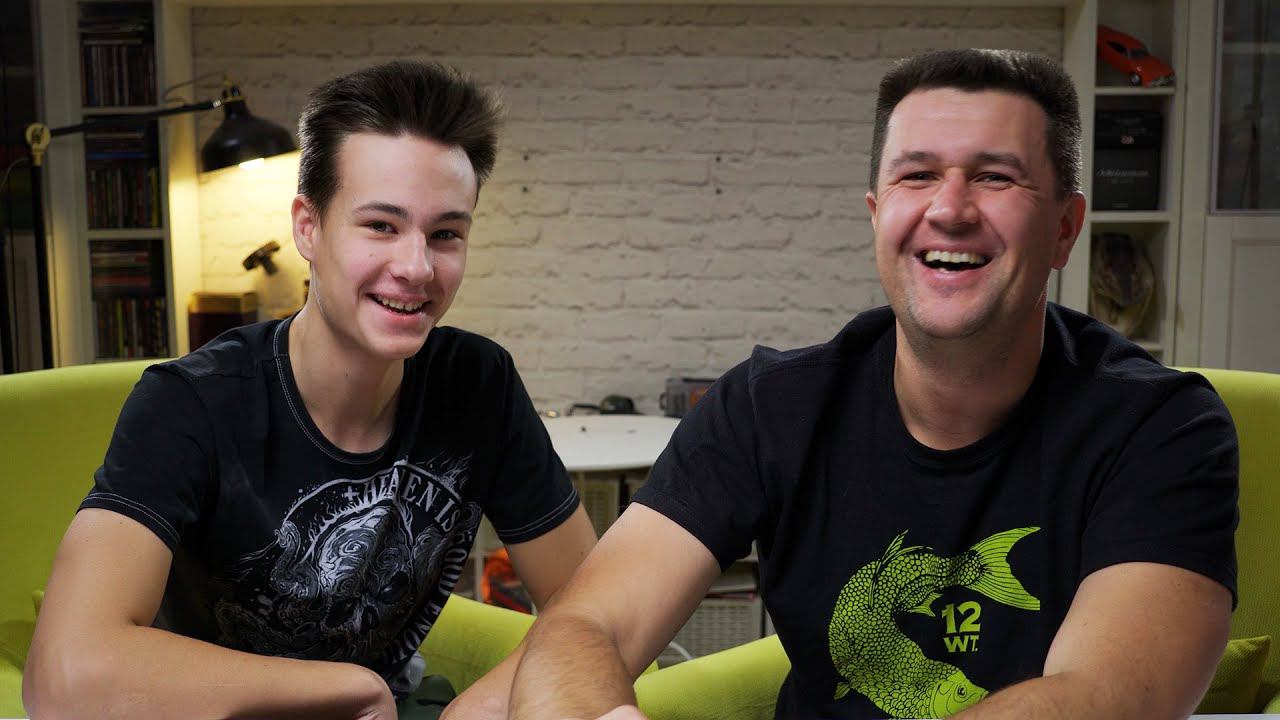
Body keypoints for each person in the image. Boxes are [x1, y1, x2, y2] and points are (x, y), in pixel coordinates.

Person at [509, 48, 1238, 720]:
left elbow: (1102, 698)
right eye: (917, 176)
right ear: (877, 215)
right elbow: (585, 626)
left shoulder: (1163, 428)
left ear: (1066, 228)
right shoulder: (769, 408)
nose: (948, 209)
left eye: (995, 176)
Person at [23, 61, 597, 720]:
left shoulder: (477, 384)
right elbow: (62, 675)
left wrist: (475, 710)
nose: (416, 267)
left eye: (445, 234)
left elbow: (596, 607)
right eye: (380, 226)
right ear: (308, 227)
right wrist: (349, 688)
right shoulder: (190, 404)